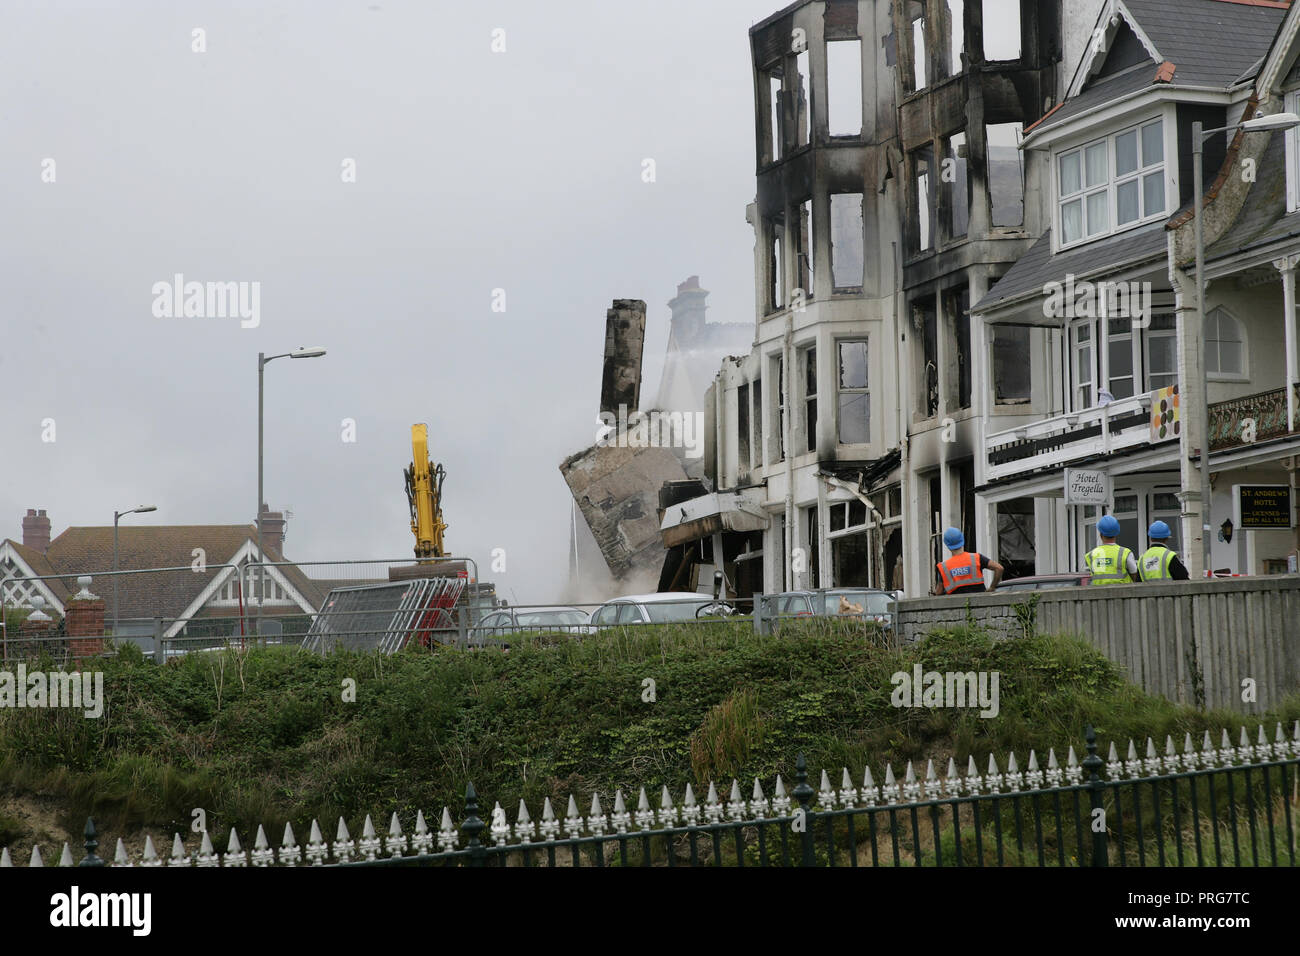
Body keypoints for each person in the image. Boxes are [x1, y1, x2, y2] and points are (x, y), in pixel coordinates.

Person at [933, 527, 1003, 596]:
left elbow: (939, 592)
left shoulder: (944, 567)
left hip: (957, 605)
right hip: (979, 603)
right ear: (962, 539)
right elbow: (999, 568)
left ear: (947, 544)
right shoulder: (976, 558)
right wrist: (992, 587)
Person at [1085, 514, 1139, 585]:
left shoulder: (1091, 555)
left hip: (1098, 594)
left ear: (1101, 534)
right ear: (1116, 533)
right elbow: (1134, 575)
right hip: (1122, 594)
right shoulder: (1125, 553)